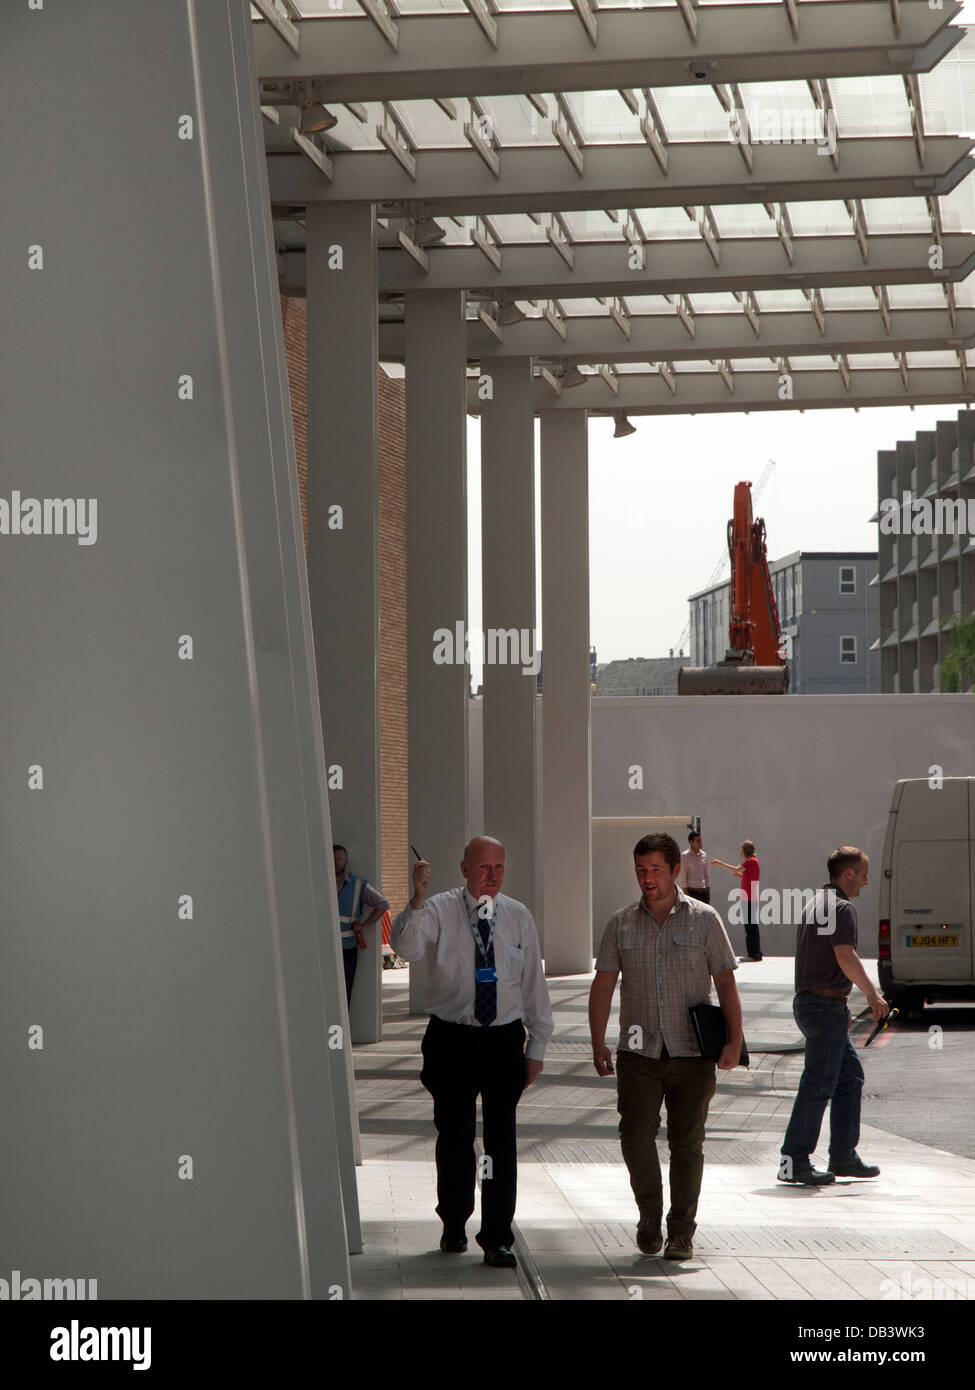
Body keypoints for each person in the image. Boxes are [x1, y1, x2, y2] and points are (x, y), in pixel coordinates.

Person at [390, 836, 553, 1268]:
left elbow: (534, 988)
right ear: (464, 870)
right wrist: (417, 899)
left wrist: (536, 1046)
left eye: (499, 867)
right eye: (483, 868)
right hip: (452, 1039)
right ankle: (454, 1221)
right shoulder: (439, 909)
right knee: (455, 1135)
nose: (493, 876)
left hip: (502, 1041)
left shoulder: (518, 916)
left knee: (500, 1141)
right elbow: (405, 947)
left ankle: (497, 1235)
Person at [589, 832, 743, 1262]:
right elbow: (604, 984)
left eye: (656, 869)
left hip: (692, 1054)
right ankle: (649, 1218)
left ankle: (681, 1232)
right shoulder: (621, 922)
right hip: (637, 1054)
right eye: (640, 870)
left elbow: (725, 981)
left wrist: (734, 1040)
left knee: (687, 1143)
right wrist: (599, 1041)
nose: (647, 878)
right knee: (635, 1137)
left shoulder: (705, 919)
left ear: (676, 870)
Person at [778, 846, 888, 1186]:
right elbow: (845, 954)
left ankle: (842, 1155)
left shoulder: (816, 903)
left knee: (848, 1077)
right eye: (864, 874)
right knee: (818, 1084)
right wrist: (872, 994)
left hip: (811, 1004)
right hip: (825, 1006)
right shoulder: (842, 908)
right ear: (849, 873)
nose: (867, 882)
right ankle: (795, 1159)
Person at [333, 844, 389, 1008]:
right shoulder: (319, 883)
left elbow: (382, 904)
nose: (336, 862)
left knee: (344, 992)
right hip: (324, 947)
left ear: (346, 860)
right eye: (333, 859)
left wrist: (364, 926)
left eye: (339, 859)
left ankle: (339, 1032)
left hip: (348, 948)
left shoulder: (358, 885)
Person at [711, 839, 762, 960]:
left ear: (745, 851)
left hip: (748, 898)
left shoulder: (749, 862)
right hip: (751, 897)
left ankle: (752, 954)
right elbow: (750, 877)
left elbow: (735, 868)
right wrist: (741, 876)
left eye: (741, 850)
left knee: (749, 927)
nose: (740, 852)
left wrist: (719, 863)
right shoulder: (755, 862)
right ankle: (757, 953)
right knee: (752, 926)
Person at [679, 830, 711, 904]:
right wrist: (687, 895)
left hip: (704, 892)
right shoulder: (684, 856)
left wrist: (708, 892)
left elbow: (706, 875)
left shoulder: (704, 855)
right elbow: (683, 877)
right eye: (698, 841)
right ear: (691, 842)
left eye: (700, 840)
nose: (700, 843)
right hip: (692, 893)